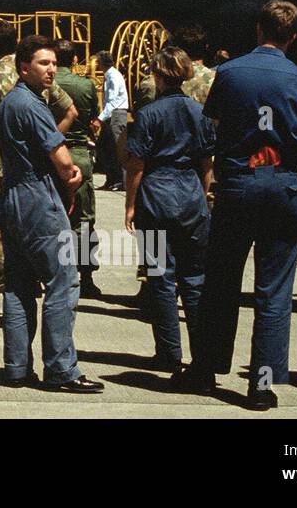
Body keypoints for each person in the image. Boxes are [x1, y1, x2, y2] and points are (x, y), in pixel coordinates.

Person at [172, 0, 297, 410]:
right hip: (285, 187)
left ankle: (206, 368)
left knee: (221, 282)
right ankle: (261, 384)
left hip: (238, 185)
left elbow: (214, 124)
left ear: (258, 29)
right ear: (293, 36)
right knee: (274, 291)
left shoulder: (231, 72)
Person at [0, 34, 103, 393]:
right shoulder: (32, 105)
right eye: (43, 63)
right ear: (24, 66)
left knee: (19, 284)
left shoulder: (10, 102)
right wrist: (71, 184)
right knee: (64, 280)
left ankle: (17, 368)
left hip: (11, 195)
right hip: (36, 197)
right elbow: (64, 161)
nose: (51, 69)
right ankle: (61, 369)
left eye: (54, 63)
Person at [0, 22, 76, 325]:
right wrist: (47, 142)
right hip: (36, 171)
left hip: (1, 168)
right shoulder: (37, 74)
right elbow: (70, 111)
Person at [123, 45, 215, 374]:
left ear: (159, 74)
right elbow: (207, 162)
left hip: (155, 197)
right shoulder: (199, 111)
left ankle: (168, 353)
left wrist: (130, 205)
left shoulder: (148, 113)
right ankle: (203, 356)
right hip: (190, 196)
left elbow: (136, 164)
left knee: (160, 277)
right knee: (194, 279)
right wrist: (202, 196)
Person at [52, 39, 102, 297]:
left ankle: (52, 272)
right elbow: (93, 116)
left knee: (51, 217)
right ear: (73, 60)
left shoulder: (46, 84)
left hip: (51, 155)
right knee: (83, 220)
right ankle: (87, 278)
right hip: (79, 154)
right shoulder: (86, 85)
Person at [91, 50, 129, 191]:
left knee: (117, 147)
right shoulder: (110, 75)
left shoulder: (113, 77)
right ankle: (111, 179)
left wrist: (100, 119)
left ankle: (122, 181)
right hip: (111, 114)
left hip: (116, 114)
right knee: (104, 147)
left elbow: (112, 101)